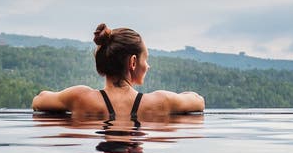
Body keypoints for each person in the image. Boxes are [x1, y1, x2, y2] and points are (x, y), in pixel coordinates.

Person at [31, 23, 205, 119]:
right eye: (146, 59)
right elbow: (198, 101)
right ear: (133, 62)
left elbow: (39, 100)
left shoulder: (80, 97)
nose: (148, 66)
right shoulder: (161, 101)